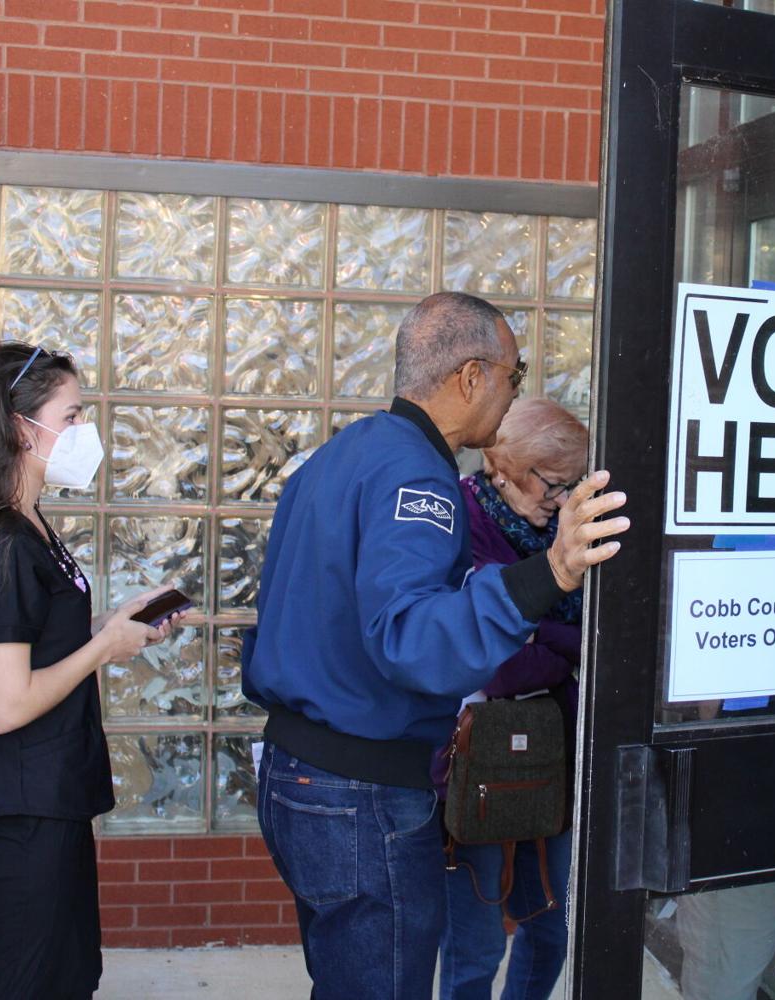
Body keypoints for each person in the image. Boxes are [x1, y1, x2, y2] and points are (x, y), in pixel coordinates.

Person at [243, 292, 629, 1000]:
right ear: (472, 376)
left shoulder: (341, 456)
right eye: (514, 375)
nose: (515, 391)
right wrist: (552, 571)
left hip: (299, 777)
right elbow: (413, 641)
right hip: (357, 793)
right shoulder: (417, 476)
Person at [0, 343, 186, 1000]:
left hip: (49, 800)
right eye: (71, 416)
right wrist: (104, 651)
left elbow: (35, 644)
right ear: (22, 427)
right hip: (18, 815)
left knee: (69, 981)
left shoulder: (31, 525)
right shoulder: (3, 544)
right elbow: (5, 705)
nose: (82, 431)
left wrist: (109, 626)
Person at [437, 398, 589, 1000]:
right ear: (505, 467)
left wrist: (537, 632)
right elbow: (493, 666)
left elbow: (608, 637)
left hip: (552, 748)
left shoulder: (568, 526)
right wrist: (570, 645)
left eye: (573, 485)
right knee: (475, 946)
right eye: (554, 485)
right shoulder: (459, 521)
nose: (562, 502)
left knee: (551, 928)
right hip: (475, 756)